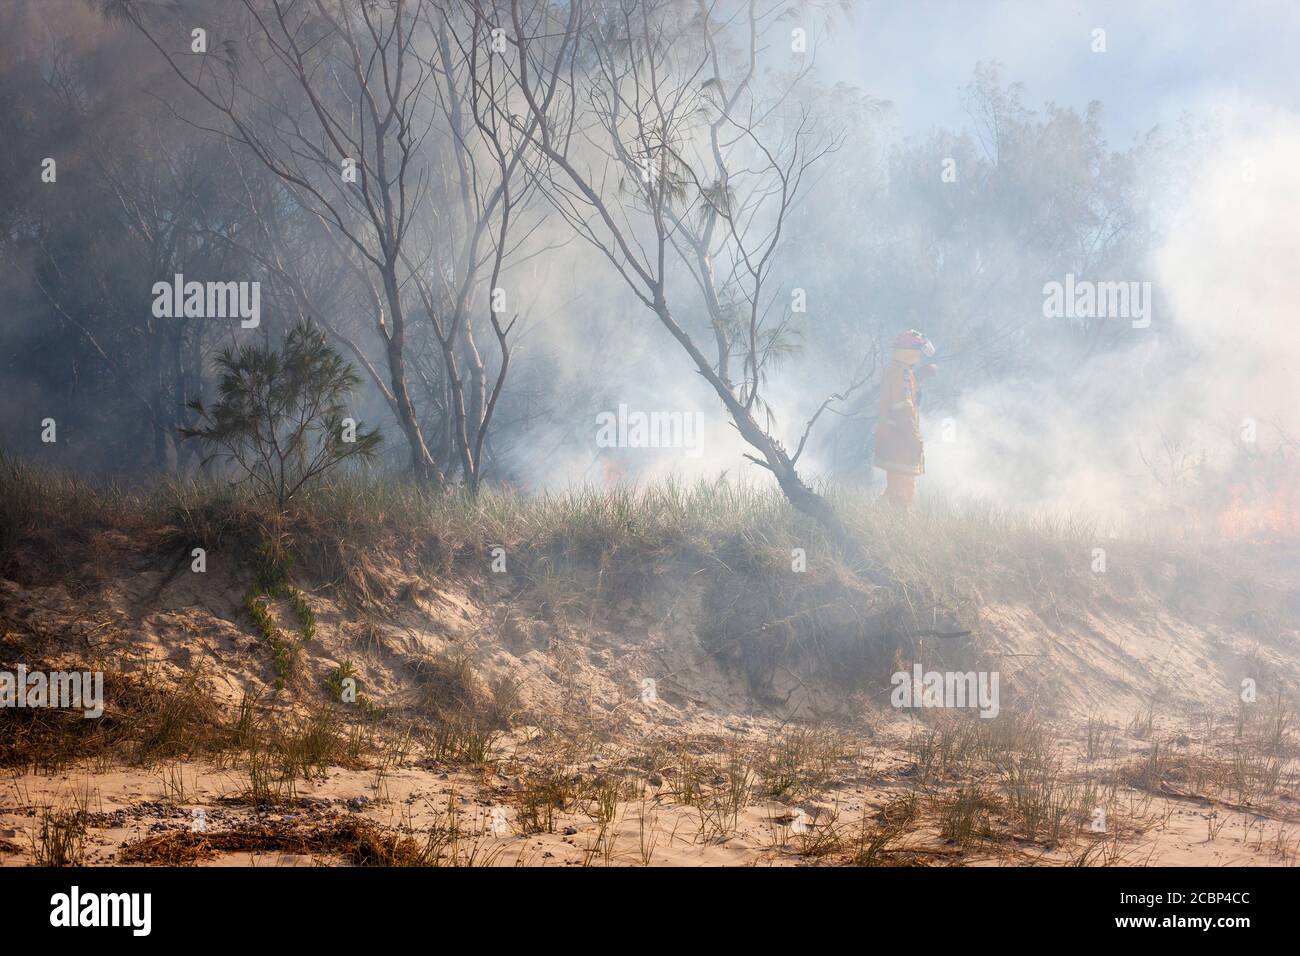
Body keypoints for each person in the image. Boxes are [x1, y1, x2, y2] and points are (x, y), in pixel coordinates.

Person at [873, 329, 936, 508]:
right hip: (901, 442)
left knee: (894, 489)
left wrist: (920, 376)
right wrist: (915, 440)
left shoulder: (896, 370)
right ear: (911, 352)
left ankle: (874, 517)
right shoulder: (903, 375)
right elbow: (903, 410)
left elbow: (899, 392)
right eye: (917, 352)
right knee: (903, 493)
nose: (918, 357)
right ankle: (898, 529)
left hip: (892, 440)